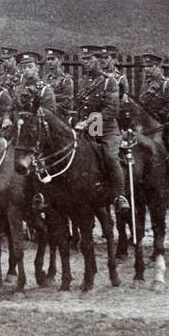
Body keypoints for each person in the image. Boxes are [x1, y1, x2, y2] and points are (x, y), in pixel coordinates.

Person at [73, 45, 129, 214]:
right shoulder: (83, 82)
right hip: (86, 130)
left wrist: (88, 122)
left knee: (111, 156)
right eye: (83, 60)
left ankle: (120, 196)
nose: (86, 63)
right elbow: (79, 106)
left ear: (98, 60)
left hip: (106, 130)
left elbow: (112, 110)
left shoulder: (109, 82)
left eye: (89, 59)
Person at [135, 53, 169, 123]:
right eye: (145, 66)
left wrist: (158, 115)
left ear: (157, 66)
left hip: (161, 122)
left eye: (150, 66)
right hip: (146, 122)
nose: (146, 69)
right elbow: (141, 103)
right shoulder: (145, 84)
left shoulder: (167, 84)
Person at [12, 50, 55, 115]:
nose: (27, 70)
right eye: (24, 67)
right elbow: (12, 109)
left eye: (30, 67)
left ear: (37, 68)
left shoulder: (44, 90)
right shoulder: (18, 88)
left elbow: (50, 114)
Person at [43, 48, 75, 115]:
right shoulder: (45, 79)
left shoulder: (66, 80)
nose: (50, 62)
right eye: (48, 59)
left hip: (61, 113)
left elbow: (68, 100)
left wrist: (52, 106)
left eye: (53, 59)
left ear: (60, 61)